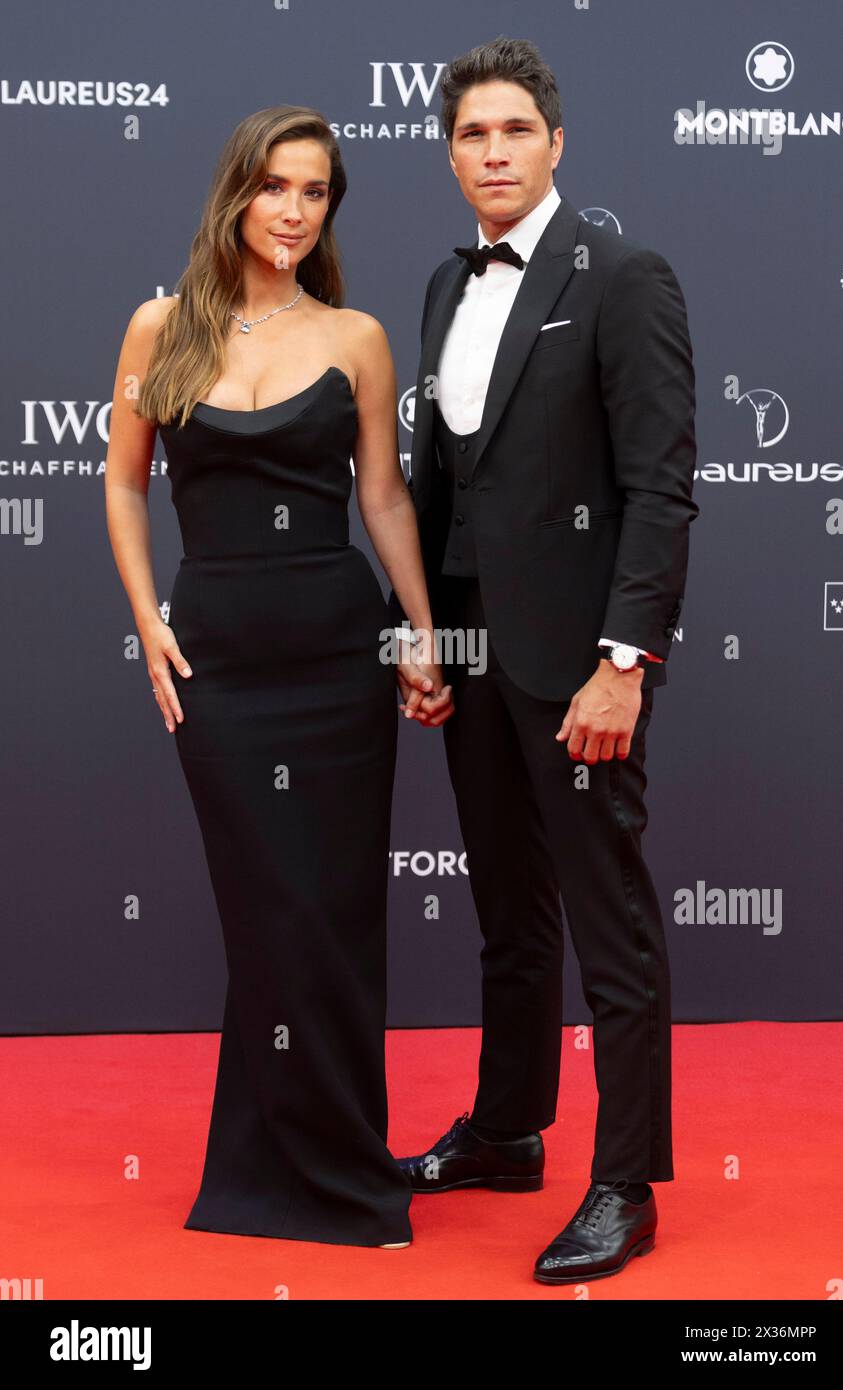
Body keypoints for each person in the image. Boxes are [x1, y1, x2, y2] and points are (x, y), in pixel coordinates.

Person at [104, 105, 452, 1249]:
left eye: (314, 192)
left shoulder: (354, 335)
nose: (294, 209)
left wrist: (419, 629)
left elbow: (384, 497)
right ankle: (260, 1170)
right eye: (274, 187)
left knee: (332, 912)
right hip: (220, 659)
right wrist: (146, 620)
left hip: (335, 656)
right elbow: (121, 481)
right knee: (266, 911)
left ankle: (344, 1167)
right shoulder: (160, 328)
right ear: (235, 194)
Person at [389, 38, 699, 1283]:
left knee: (608, 920)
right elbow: (437, 482)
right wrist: (423, 636)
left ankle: (624, 1182)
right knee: (505, 911)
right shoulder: (438, 285)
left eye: (515, 130)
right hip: (467, 646)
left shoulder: (622, 277)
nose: (494, 152)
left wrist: (623, 659)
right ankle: (509, 1128)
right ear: (450, 152)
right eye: (472, 135)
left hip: (577, 662)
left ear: (555, 143)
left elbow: (659, 488)